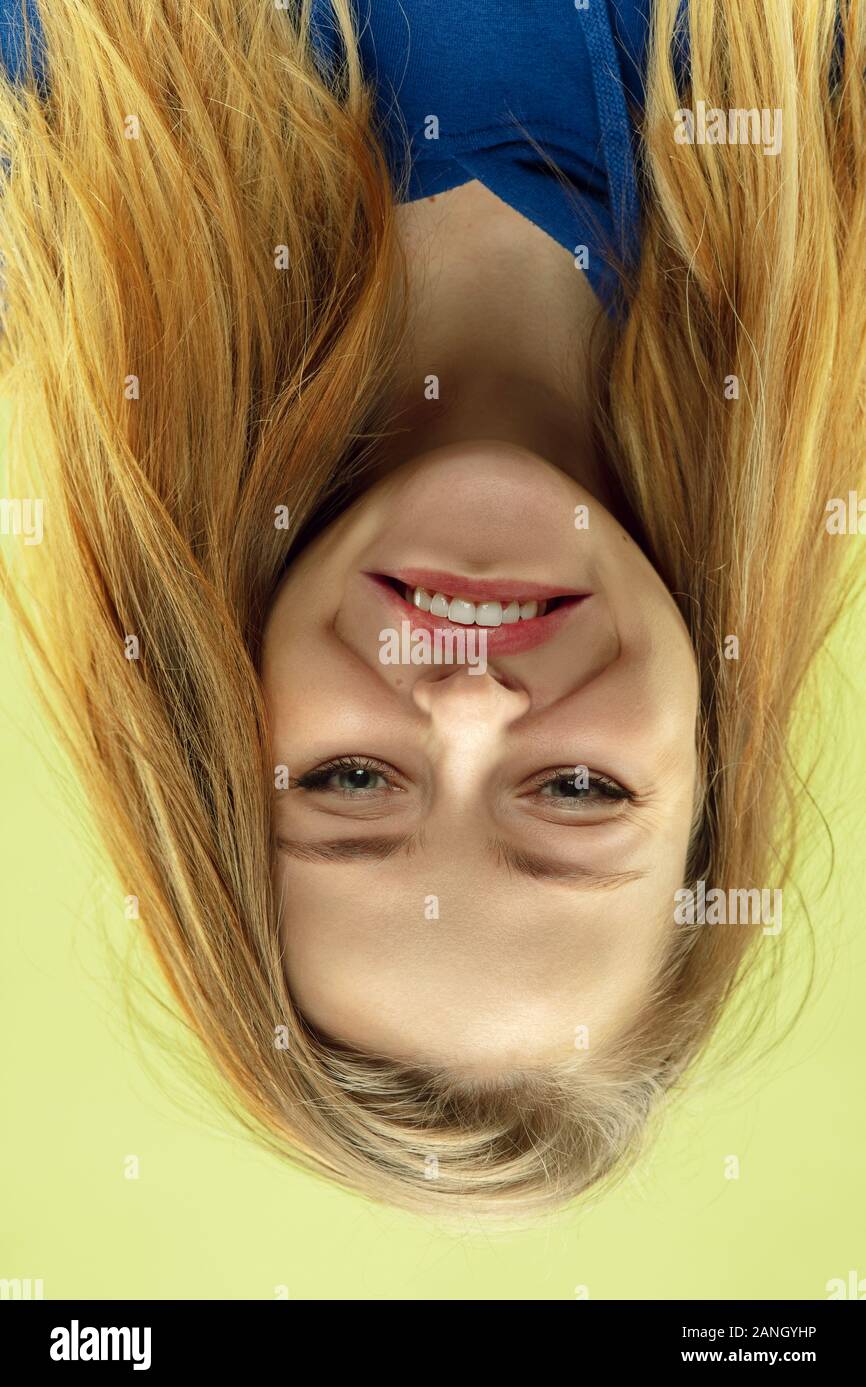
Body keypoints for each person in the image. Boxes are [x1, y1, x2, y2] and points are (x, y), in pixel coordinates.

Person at [0, 1, 862, 1224]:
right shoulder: (832, 179)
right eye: (576, 793)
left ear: (218, 730)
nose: (467, 705)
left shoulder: (48, 177)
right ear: (708, 754)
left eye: (350, 779)